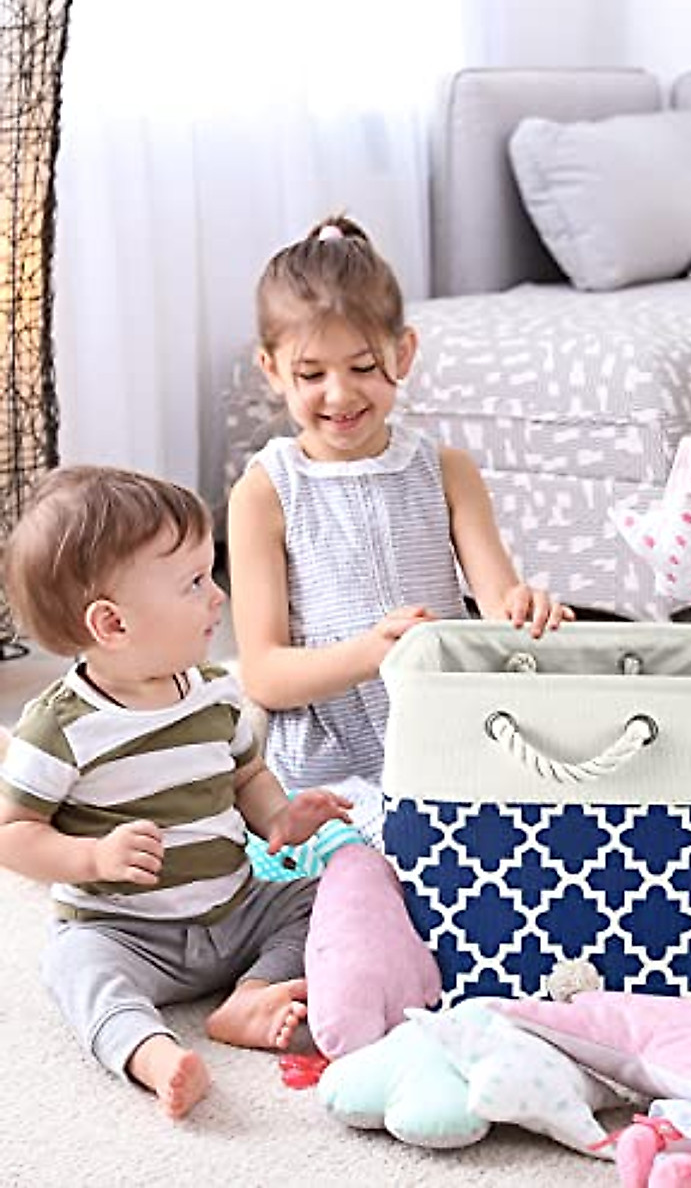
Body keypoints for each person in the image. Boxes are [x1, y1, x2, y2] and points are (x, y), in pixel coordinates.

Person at [0, 466, 351, 1119]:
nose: (218, 596)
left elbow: (245, 774)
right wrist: (91, 858)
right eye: (194, 583)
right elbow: (12, 833)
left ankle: (251, 994)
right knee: (75, 968)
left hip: (234, 910)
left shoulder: (213, 689)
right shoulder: (59, 728)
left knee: (324, 897)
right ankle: (150, 1053)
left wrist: (279, 817)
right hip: (125, 933)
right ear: (112, 624)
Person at [227, 215, 572, 858]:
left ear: (403, 353)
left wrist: (526, 609)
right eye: (310, 375)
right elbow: (265, 674)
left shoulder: (446, 470)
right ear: (271, 370)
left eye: (363, 366)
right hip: (327, 768)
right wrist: (374, 651)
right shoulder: (264, 492)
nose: (339, 394)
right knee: (367, 872)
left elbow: (500, 606)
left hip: (445, 735)